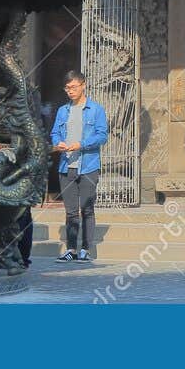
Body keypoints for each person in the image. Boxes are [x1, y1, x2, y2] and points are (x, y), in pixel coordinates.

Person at [50, 71, 109, 262]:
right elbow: (54, 133)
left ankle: (85, 249)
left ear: (83, 85)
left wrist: (81, 144)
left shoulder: (96, 109)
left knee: (87, 209)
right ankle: (71, 249)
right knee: (70, 211)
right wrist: (58, 142)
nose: (70, 91)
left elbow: (102, 136)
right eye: (67, 88)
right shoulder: (62, 111)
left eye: (73, 87)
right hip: (66, 167)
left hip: (88, 166)